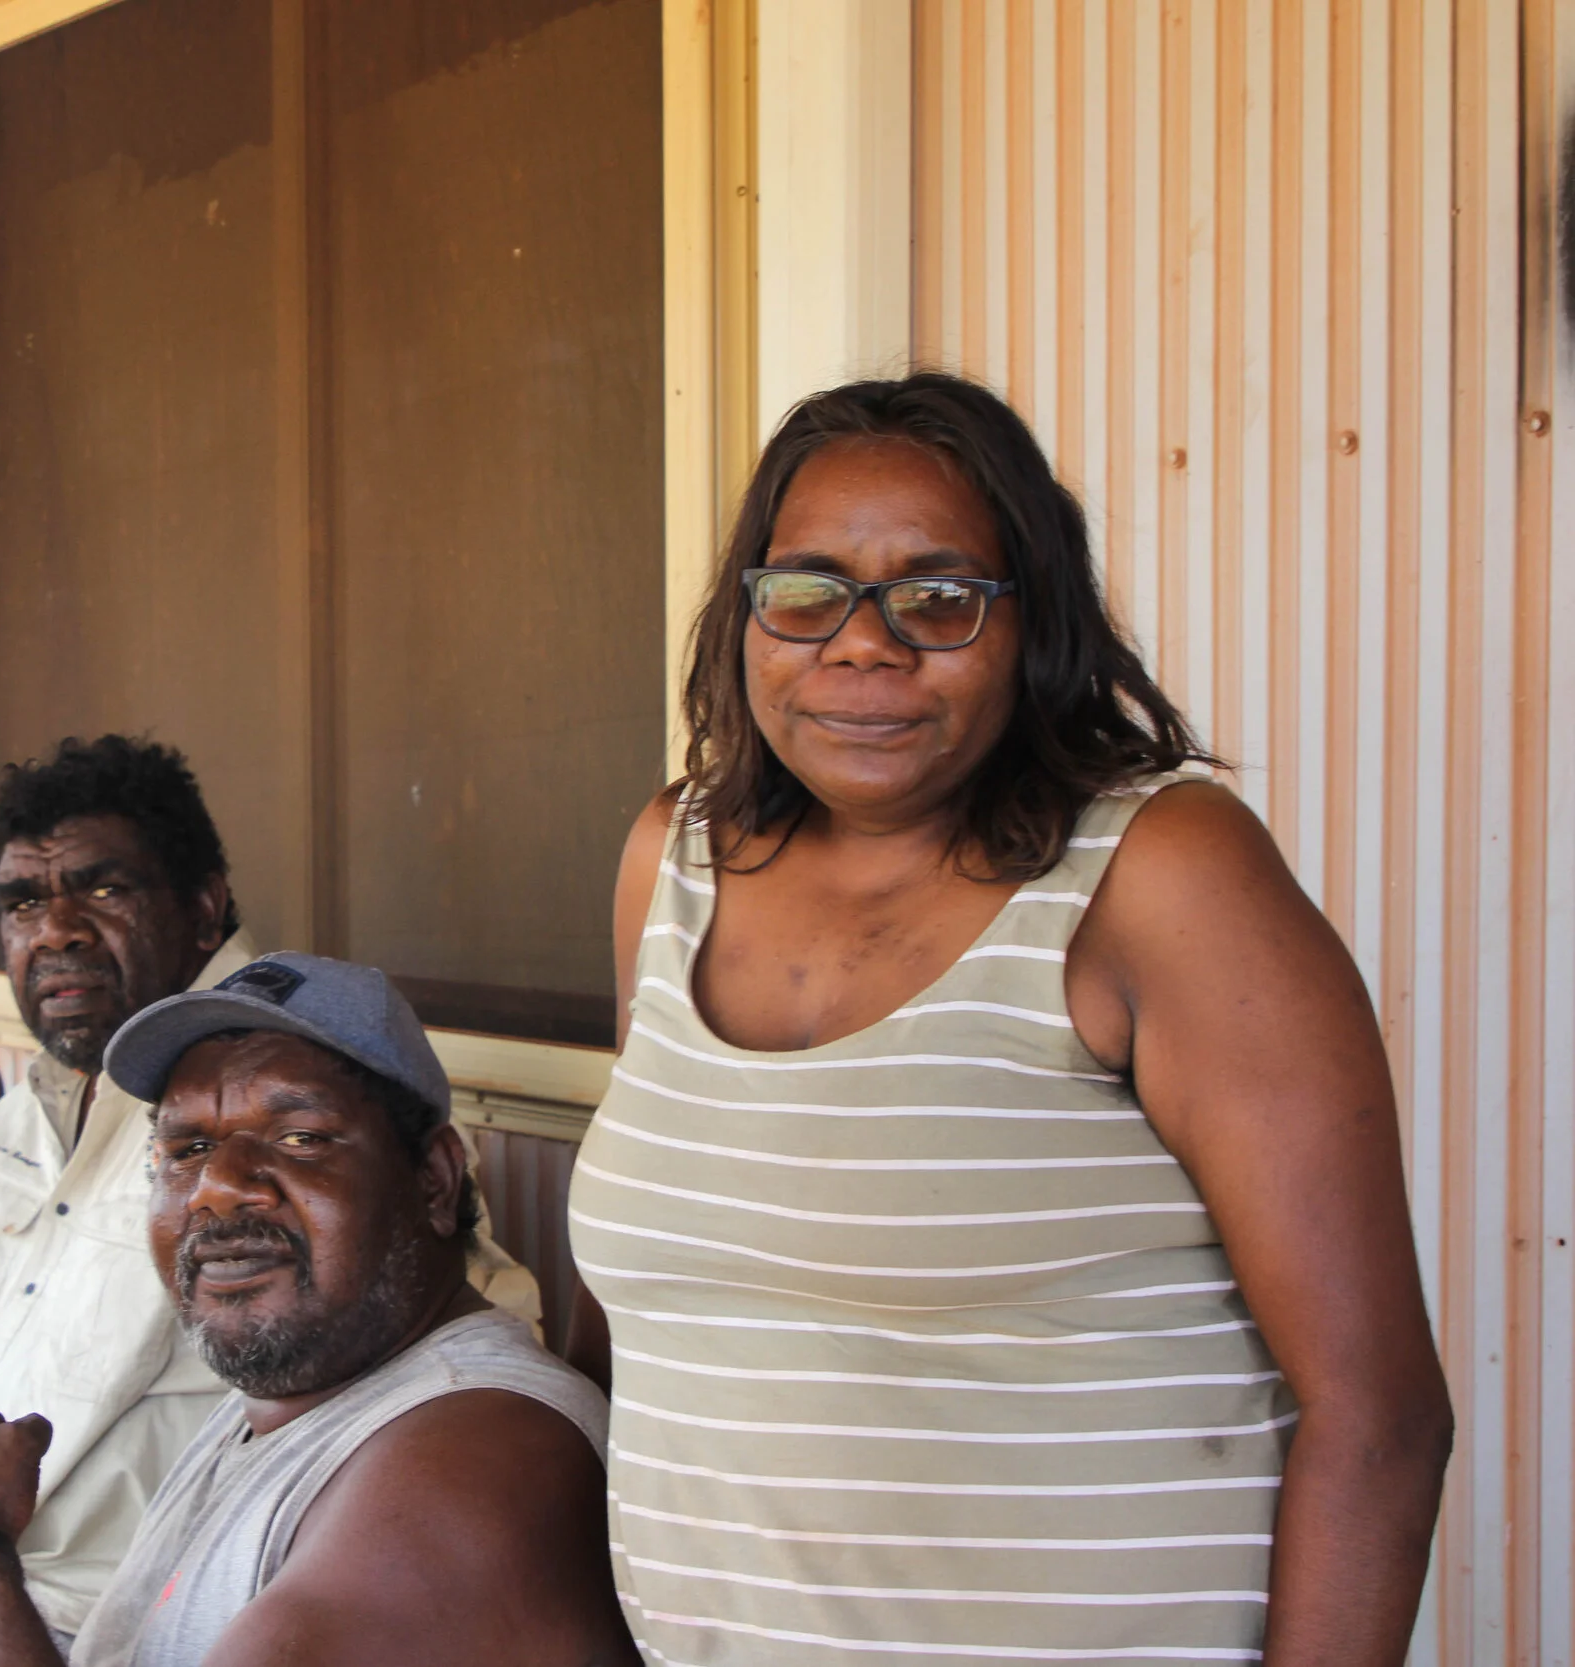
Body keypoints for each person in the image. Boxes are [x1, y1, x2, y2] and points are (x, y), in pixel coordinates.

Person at [565, 372, 1453, 1664]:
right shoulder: (675, 860)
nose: (864, 643)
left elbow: (1378, 1416)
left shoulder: (1159, 873)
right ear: (745, 617)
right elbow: (644, 1320)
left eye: (940, 596)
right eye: (807, 591)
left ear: (1034, 628)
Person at [0, 719, 540, 1665]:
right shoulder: (30, 1114)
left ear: (204, 909)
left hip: (55, 1617)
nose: (224, 1185)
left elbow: (459, 1336)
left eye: (105, 888)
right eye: (25, 901)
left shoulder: (439, 1409)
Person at [0, 953, 636, 1667]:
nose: (218, 1189)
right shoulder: (287, 1397)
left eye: (296, 1136)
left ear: (432, 1179)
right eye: (183, 1148)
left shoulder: (472, 1460)